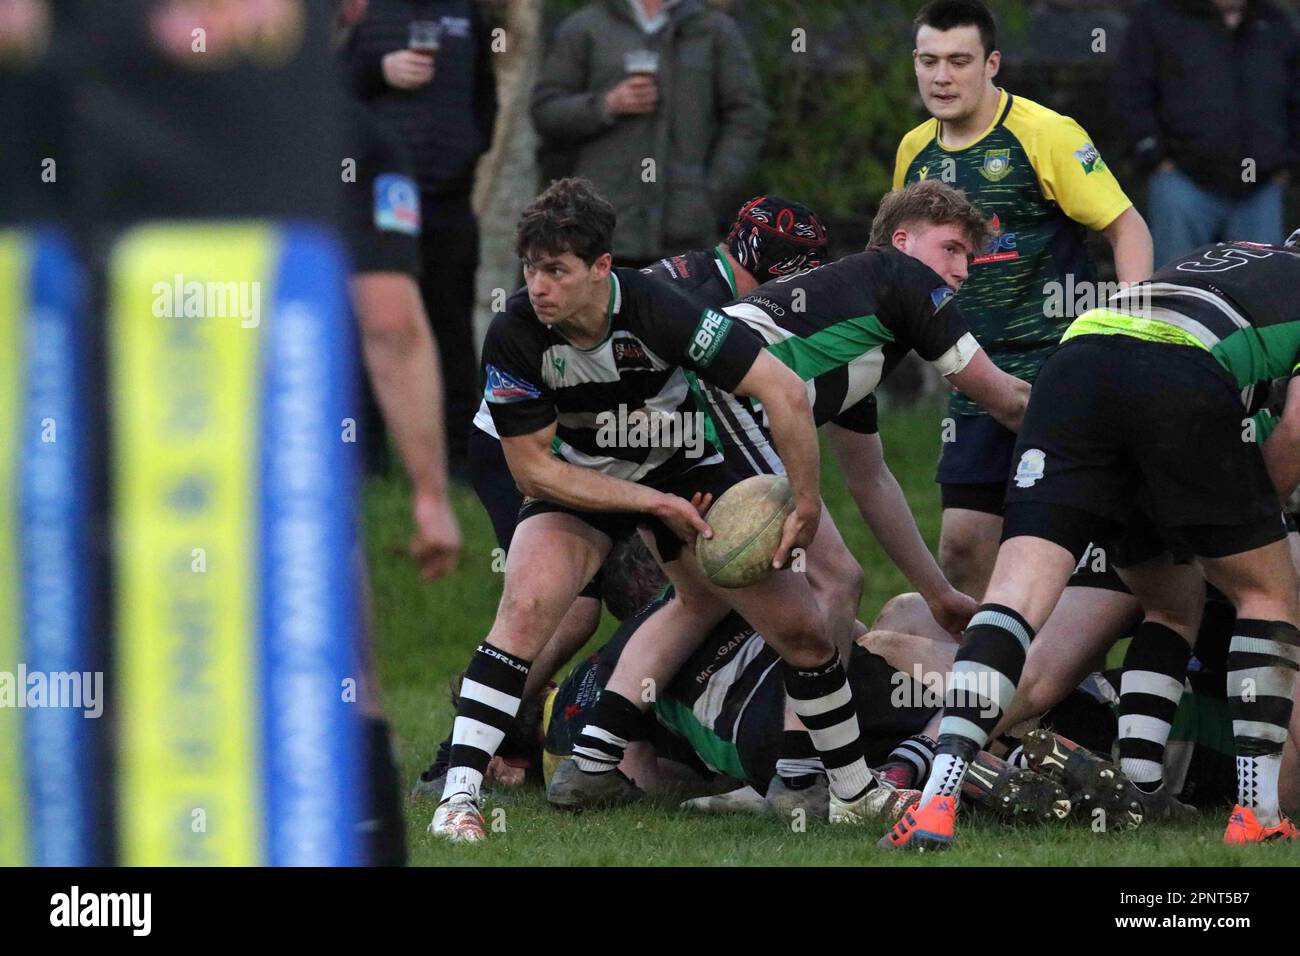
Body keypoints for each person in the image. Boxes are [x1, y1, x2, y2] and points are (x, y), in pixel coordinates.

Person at [548, 179, 1034, 811]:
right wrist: (1097, 420)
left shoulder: (855, 329)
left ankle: (589, 764)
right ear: (902, 240)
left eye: (970, 258)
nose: (962, 272)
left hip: (662, 407)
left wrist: (938, 591)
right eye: (953, 250)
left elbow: (872, 479)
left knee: (694, 599)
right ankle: (799, 778)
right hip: (713, 393)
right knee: (836, 580)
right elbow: (1006, 399)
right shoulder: (903, 281)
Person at [430, 177, 871, 843]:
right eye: (531, 269)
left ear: (602, 269)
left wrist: (805, 502)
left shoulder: (660, 308)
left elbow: (781, 391)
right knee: (526, 610)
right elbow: (532, 469)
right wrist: (650, 504)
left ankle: (856, 793)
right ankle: (456, 800)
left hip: (686, 465)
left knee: (804, 629)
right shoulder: (516, 331)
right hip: (580, 476)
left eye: (556, 270)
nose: (538, 286)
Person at [882, 238, 1300, 851]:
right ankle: (1257, 815)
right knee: (1268, 592)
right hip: (1175, 375)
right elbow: (1292, 438)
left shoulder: (1233, 258)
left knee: (1028, 599)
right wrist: (1243, 524)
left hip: (1076, 360)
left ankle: (936, 801)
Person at [895, 0, 1154, 601]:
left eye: (959, 61)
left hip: (1054, 371)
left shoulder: (1045, 133)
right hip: (973, 375)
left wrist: (1131, 336)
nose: (942, 77)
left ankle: (1070, 678)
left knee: (1071, 546)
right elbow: (905, 265)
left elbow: (1128, 228)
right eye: (929, 61)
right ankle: (997, 682)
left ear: (991, 64)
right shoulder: (914, 151)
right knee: (962, 549)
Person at [335, 0, 462, 864]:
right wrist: (428, 492)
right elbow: (391, 323)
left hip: (110, 454)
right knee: (345, 666)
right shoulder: (356, 138)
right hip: (279, 457)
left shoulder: (99, 101)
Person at [345, 0, 498, 476]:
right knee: (373, 321)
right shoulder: (363, 13)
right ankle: (368, 463)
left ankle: (458, 462)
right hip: (379, 199)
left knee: (451, 331)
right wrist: (377, 69)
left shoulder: (467, 13)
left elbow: (485, 102)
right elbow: (328, 96)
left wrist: (467, 153)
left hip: (448, 197)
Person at [530, 0, 769, 266]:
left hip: (684, 233)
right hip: (598, 229)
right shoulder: (586, 26)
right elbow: (546, 111)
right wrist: (606, 104)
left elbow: (748, 117)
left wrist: (713, 189)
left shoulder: (715, 31)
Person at [1115, 0, 1300, 265]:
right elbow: (1131, 92)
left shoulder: (1274, 22)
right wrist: (1155, 158)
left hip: (1261, 189)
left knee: (1258, 291)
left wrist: (1286, 165)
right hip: (1182, 184)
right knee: (1177, 288)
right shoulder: (1158, 18)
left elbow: (1295, 96)